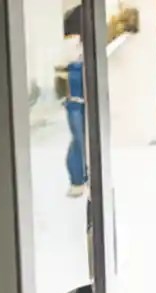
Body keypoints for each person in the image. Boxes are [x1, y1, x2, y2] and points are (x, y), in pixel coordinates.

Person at [60, 13, 87, 198]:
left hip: (83, 100)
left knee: (82, 140)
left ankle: (81, 178)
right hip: (76, 102)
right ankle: (77, 180)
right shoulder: (72, 45)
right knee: (79, 140)